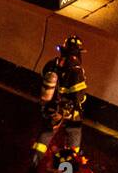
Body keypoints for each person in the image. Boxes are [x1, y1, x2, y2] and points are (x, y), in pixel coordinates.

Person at [32, 36, 88, 165]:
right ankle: (69, 168)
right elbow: (79, 96)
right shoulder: (76, 69)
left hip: (52, 108)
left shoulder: (52, 63)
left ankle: (35, 160)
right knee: (74, 133)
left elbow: (43, 81)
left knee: (46, 133)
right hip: (69, 110)